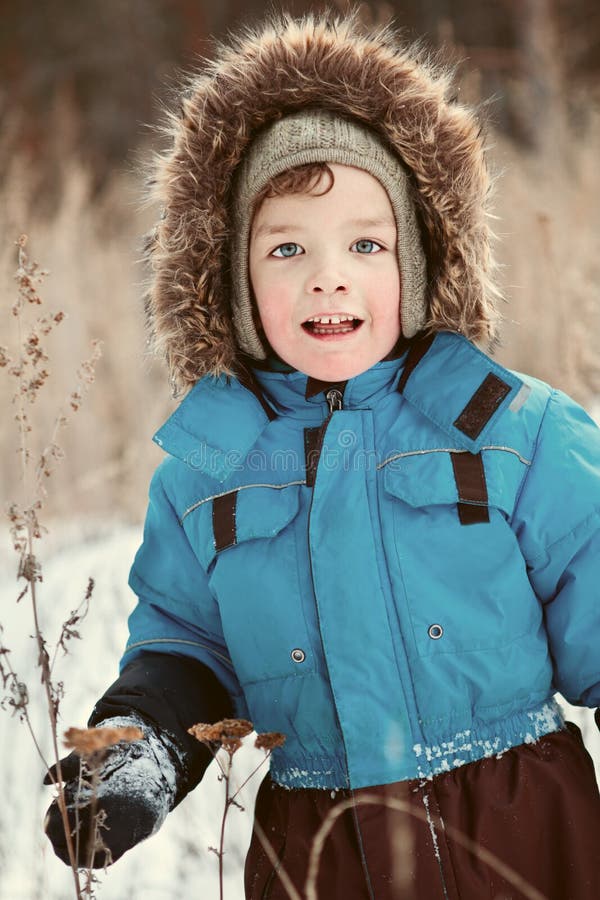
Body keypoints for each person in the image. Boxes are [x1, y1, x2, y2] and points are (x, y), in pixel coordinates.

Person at [44, 9, 600, 898]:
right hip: (319, 854)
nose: (327, 275)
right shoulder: (207, 468)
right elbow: (189, 645)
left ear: (418, 263)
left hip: (521, 831)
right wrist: (139, 746)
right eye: (287, 247)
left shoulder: (511, 431)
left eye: (365, 244)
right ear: (232, 277)